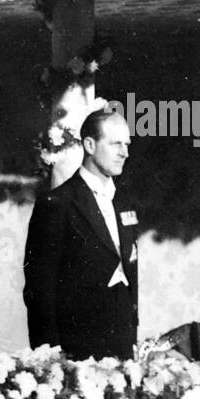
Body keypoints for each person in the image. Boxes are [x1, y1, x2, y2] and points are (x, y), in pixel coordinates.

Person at [23, 108, 138, 361]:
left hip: (121, 344)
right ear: (90, 145)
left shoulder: (124, 203)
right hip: (75, 349)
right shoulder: (57, 202)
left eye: (127, 144)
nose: (125, 152)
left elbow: (129, 275)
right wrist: (49, 354)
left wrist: (132, 338)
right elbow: (39, 288)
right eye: (116, 143)